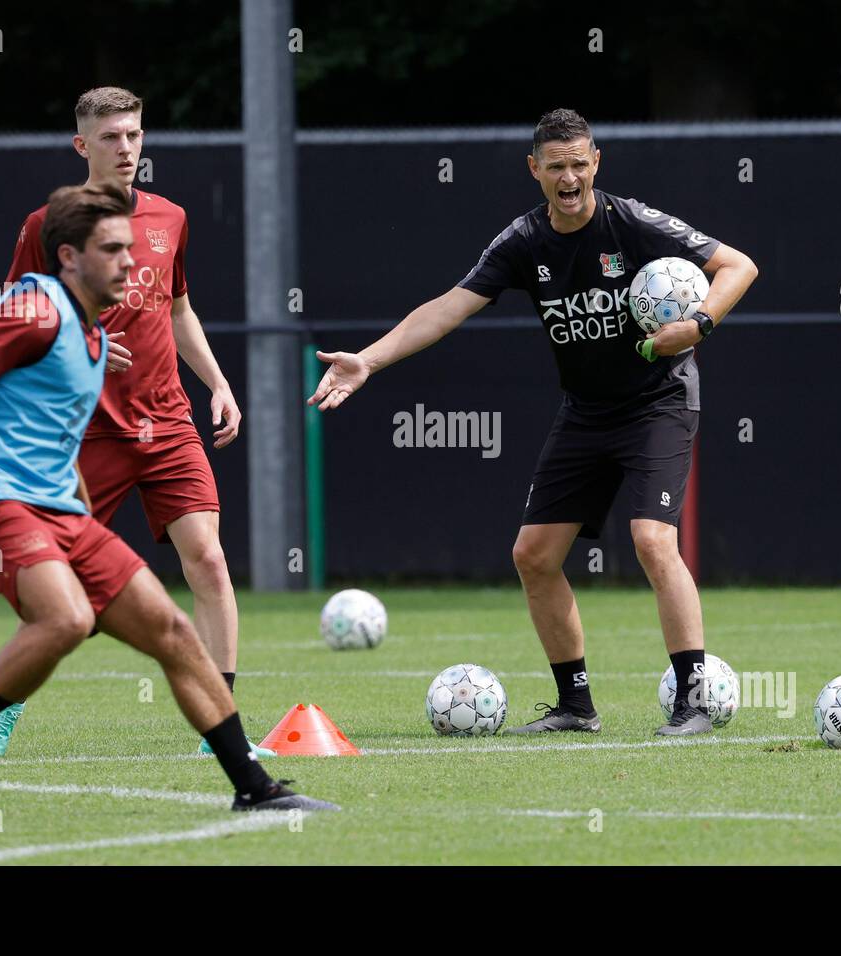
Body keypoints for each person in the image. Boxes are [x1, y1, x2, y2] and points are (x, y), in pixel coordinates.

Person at [0, 184, 334, 815]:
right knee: (68, 618)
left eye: (129, 248)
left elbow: (52, 435)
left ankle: (253, 787)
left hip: (54, 509)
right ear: (68, 257)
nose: (130, 263)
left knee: (173, 630)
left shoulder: (93, 336)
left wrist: (77, 513)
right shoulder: (37, 310)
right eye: (111, 250)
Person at [307, 108, 758, 736]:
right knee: (534, 555)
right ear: (535, 171)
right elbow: (445, 309)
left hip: (659, 400)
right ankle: (575, 706)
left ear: (596, 162)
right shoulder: (523, 242)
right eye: (556, 167)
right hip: (585, 411)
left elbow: (738, 266)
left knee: (653, 539)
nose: (569, 177)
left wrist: (698, 323)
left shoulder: (631, 222)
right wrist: (369, 362)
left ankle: (693, 702)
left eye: (579, 163)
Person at [0, 86, 269, 758]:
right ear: (83, 146)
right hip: (84, 431)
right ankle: (0, 709)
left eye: (134, 135)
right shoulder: (47, 225)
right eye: (110, 138)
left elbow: (177, 310)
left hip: (167, 423)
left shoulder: (171, 219)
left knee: (212, 564)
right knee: (56, 582)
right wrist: (84, 347)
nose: (126, 148)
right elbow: (16, 321)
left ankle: (223, 734)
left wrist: (219, 383)